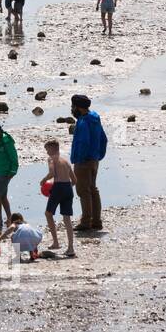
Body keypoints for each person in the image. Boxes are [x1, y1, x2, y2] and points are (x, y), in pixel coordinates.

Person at [69, 94, 107, 232]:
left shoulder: (83, 121)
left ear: (78, 107)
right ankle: (96, 221)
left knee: (83, 191)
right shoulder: (95, 118)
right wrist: (98, 155)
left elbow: (83, 142)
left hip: (83, 161)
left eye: (73, 106)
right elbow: (104, 139)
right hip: (94, 160)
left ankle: (86, 222)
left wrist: (79, 159)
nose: (72, 109)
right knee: (93, 190)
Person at [40, 139, 76, 256]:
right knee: (67, 219)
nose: (47, 153)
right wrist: (66, 187)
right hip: (68, 188)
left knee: (48, 213)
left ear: (53, 148)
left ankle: (56, 242)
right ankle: (71, 248)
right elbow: (74, 180)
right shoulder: (66, 161)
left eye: (47, 150)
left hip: (58, 187)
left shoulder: (51, 159)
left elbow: (52, 173)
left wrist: (44, 180)